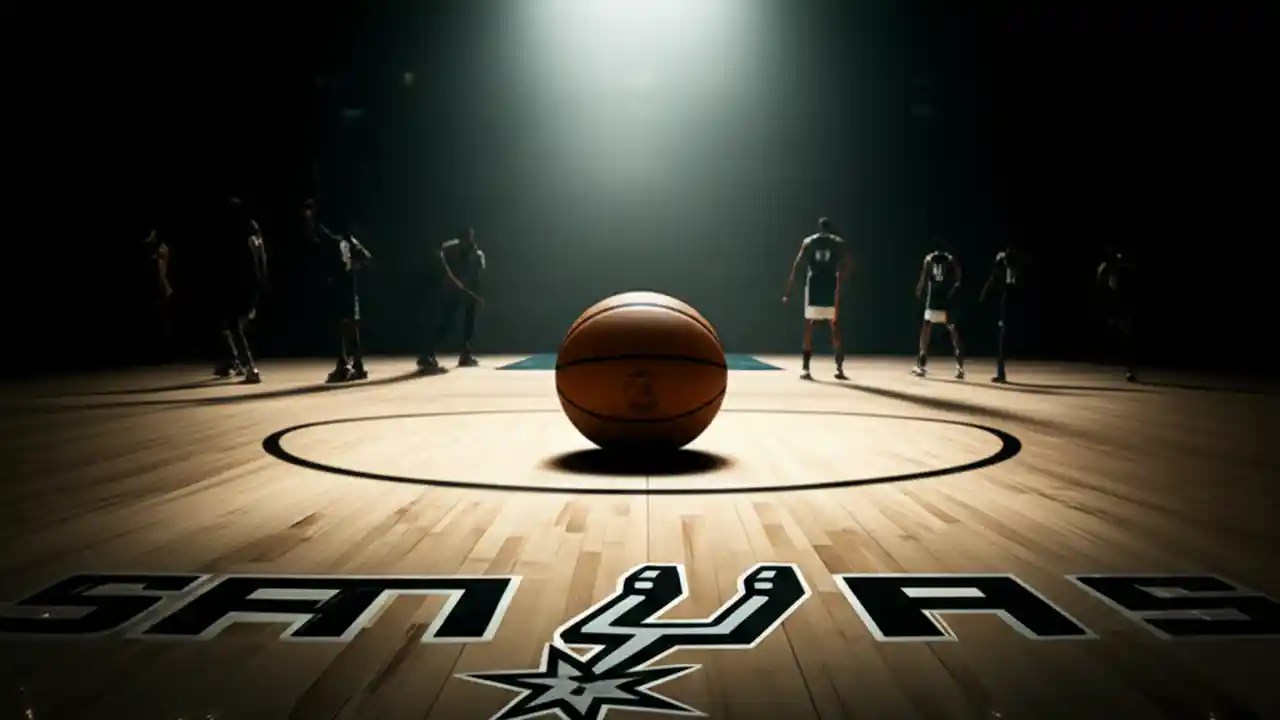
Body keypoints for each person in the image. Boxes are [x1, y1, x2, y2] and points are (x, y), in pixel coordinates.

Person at [304, 200, 372, 383]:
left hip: (337, 286)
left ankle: (343, 365)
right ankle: (357, 365)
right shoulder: (347, 238)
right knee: (350, 326)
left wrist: (311, 219)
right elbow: (366, 257)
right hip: (350, 286)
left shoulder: (329, 238)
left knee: (339, 326)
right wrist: (354, 266)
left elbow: (316, 236)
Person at [782, 216, 853, 380]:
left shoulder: (809, 242)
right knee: (834, 325)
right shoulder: (838, 242)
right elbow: (849, 262)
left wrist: (789, 291)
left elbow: (797, 265)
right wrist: (843, 279)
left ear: (819, 228)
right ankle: (839, 367)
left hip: (814, 285)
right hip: (830, 284)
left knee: (809, 325)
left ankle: (806, 368)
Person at [212, 198, 269, 383]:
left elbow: (253, 254)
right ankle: (232, 359)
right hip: (248, 281)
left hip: (240, 281)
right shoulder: (252, 227)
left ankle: (248, 366)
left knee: (234, 325)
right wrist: (262, 277)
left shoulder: (237, 229)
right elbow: (261, 254)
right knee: (232, 324)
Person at [418, 227, 485, 373]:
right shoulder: (447, 251)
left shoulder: (473, 252)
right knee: (446, 324)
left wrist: (473, 293)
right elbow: (447, 273)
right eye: (466, 239)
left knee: (465, 321)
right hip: (450, 292)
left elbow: (475, 275)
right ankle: (426, 355)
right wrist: (458, 286)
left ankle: (464, 353)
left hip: (461, 291)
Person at [911, 239, 965, 379]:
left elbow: (924, 278)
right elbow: (959, 274)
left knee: (926, 331)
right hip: (946, 299)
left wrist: (919, 288)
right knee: (953, 332)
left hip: (933, 298)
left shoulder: (929, 259)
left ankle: (921, 366)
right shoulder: (950, 258)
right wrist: (956, 286)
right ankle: (960, 368)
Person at [979, 240, 1032, 384]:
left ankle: (1001, 372)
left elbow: (996, 276)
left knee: (1003, 336)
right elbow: (995, 276)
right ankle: (1001, 372)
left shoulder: (1013, 260)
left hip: (1012, 295)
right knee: (1002, 336)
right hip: (1011, 295)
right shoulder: (1009, 260)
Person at [1096, 245, 1139, 382]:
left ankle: (1129, 368)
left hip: (1123, 303)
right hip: (1114, 303)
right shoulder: (1107, 268)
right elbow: (1101, 281)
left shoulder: (1123, 269)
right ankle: (1123, 364)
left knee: (1127, 337)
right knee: (1120, 334)